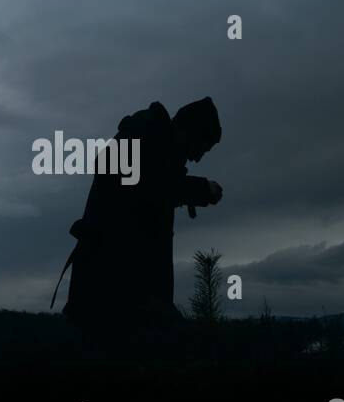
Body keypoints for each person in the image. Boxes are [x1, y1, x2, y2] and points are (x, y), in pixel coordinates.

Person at [54, 96, 224, 330]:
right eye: (202, 146)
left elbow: (154, 185)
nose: (199, 156)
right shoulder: (144, 138)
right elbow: (151, 186)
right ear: (189, 132)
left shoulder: (153, 147)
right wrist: (201, 189)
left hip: (121, 291)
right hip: (109, 290)